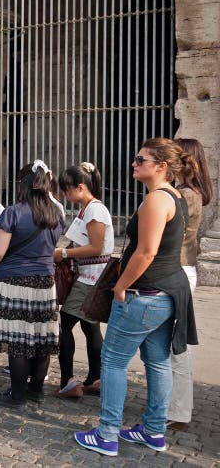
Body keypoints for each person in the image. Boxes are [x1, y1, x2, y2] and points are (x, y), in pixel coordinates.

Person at [75, 138, 198, 457]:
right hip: (164, 292)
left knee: (113, 361)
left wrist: (120, 286)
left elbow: (146, 252)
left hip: (143, 294)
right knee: (157, 361)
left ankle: (107, 434)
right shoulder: (173, 196)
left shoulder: (157, 200)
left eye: (140, 159)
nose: (134, 163)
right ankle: (154, 431)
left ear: (161, 167)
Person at [0, 160, 64, 407]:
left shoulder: (14, 212)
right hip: (45, 281)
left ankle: (17, 395)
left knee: (18, 339)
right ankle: (36, 391)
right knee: (42, 337)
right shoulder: (56, 212)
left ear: (22, 185)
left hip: (13, 279)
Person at [54, 163, 114, 399]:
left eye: (67, 189)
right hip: (91, 276)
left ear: (80, 187)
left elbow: (96, 247)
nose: (65, 194)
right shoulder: (88, 208)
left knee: (65, 325)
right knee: (90, 327)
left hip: (90, 278)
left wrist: (64, 254)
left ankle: (68, 381)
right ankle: (95, 378)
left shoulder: (94, 211)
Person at [167, 138, 211, 432]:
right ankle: (174, 405)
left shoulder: (185, 194)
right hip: (182, 268)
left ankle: (180, 410)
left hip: (179, 269)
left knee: (176, 344)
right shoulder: (189, 192)